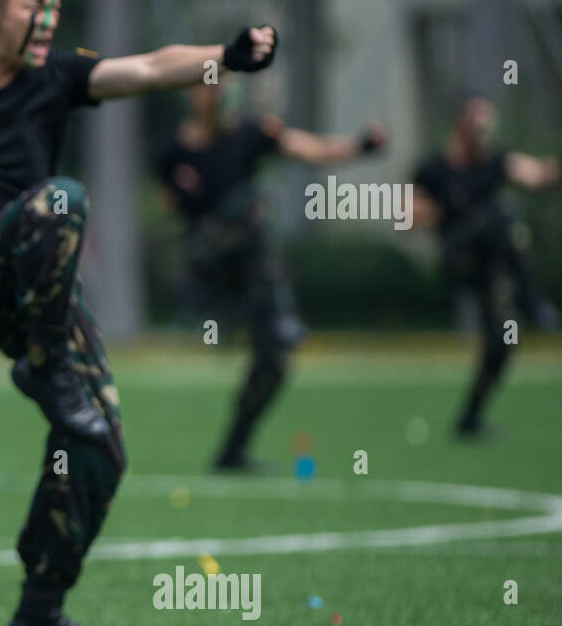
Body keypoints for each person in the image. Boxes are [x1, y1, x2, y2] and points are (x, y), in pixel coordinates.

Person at [0, 0, 275, 626]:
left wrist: (228, 55)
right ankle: (47, 365)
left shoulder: (57, 76)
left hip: (47, 293)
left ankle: (39, 605)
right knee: (60, 199)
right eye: (37, 8)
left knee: (99, 441)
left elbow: (150, 68)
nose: (49, 23)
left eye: (55, 10)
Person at [157, 81, 387, 470]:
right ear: (192, 94)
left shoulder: (251, 135)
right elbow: (169, 210)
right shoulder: (171, 153)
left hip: (253, 267)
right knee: (243, 218)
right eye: (205, 85)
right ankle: (265, 317)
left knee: (275, 362)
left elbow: (310, 149)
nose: (214, 93)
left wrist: (361, 145)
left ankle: (233, 449)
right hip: (213, 270)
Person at [412, 93, 560, 436]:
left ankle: (470, 419)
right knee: (502, 213)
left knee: (503, 339)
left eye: (488, 122)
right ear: (460, 124)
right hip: (458, 258)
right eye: (478, 121)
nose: (485, 129)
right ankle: (532, 299)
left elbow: (538, 175)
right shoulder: (435, 169)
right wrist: (446, 210)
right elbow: (406, 215)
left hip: (490, 269)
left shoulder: (495, 163)